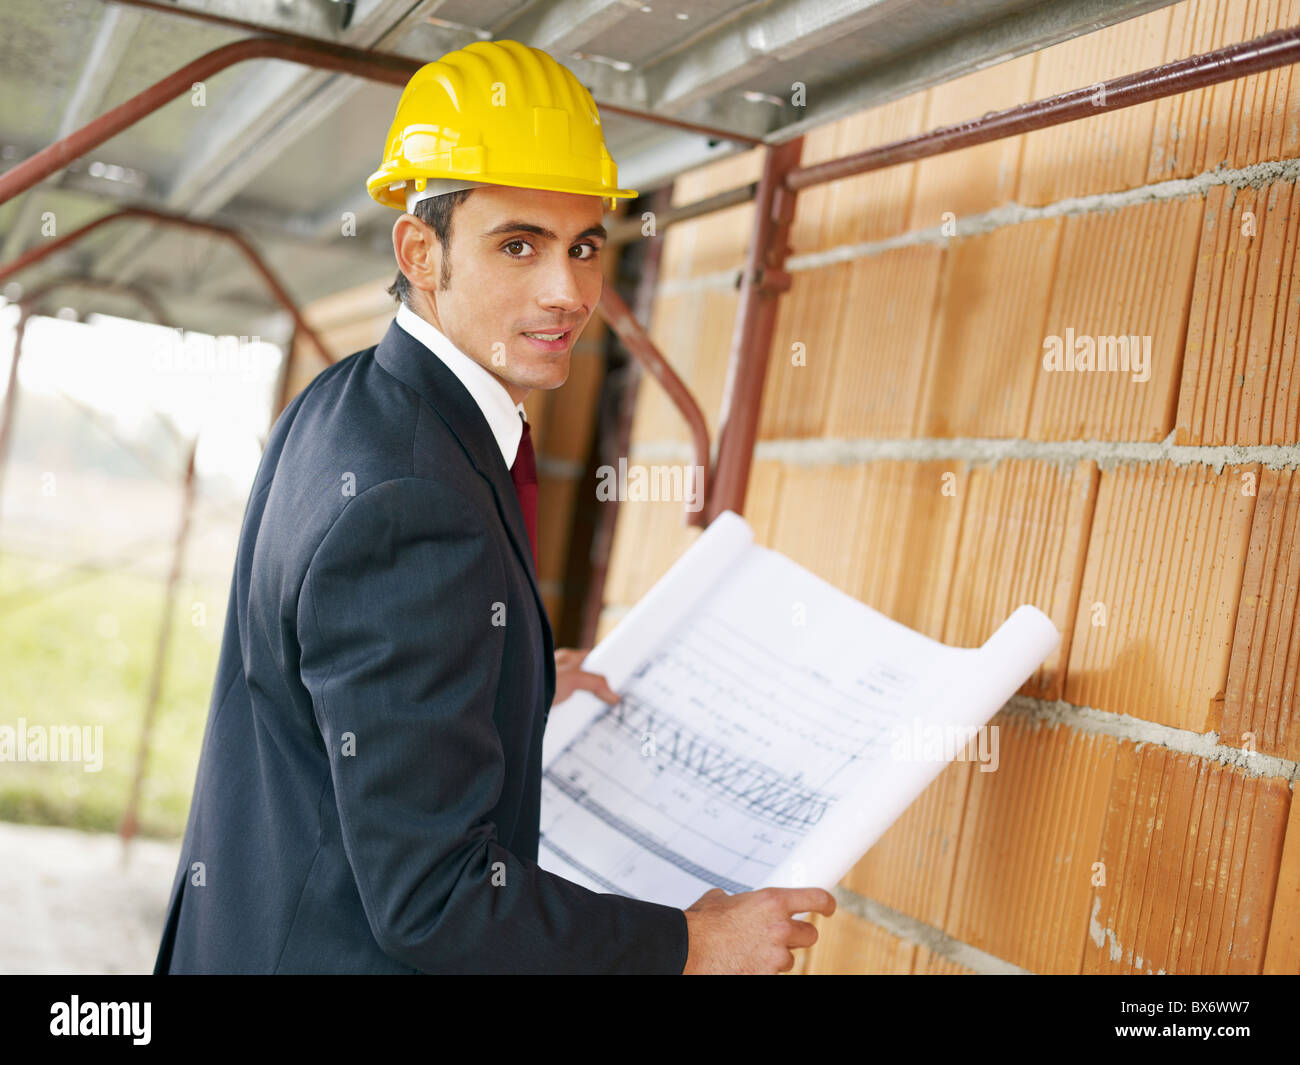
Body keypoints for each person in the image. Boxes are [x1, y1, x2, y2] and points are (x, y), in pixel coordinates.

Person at [153, 38, 833, 975]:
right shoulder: (411, 499)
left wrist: (513, 680)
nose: (568, 292)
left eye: (586, 246)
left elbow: (339, 683)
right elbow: (434, 896)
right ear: (419, 250)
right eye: (519, 245)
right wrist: (691, 943)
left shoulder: (348, 400)